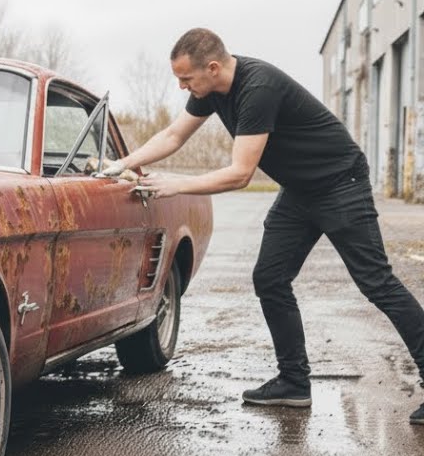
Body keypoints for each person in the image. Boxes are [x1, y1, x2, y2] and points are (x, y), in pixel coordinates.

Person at [102, 27, 424, 425]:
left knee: (377, 283)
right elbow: (173, 135)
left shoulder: (258, 89)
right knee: (270, 278)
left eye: (186, 79)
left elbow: (240, 174)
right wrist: (123, 164)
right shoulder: (211, 92)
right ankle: (293, 382)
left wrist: (175, 185)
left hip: (341, 184)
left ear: (213, 67)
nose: (182, 87)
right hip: (300, 191)